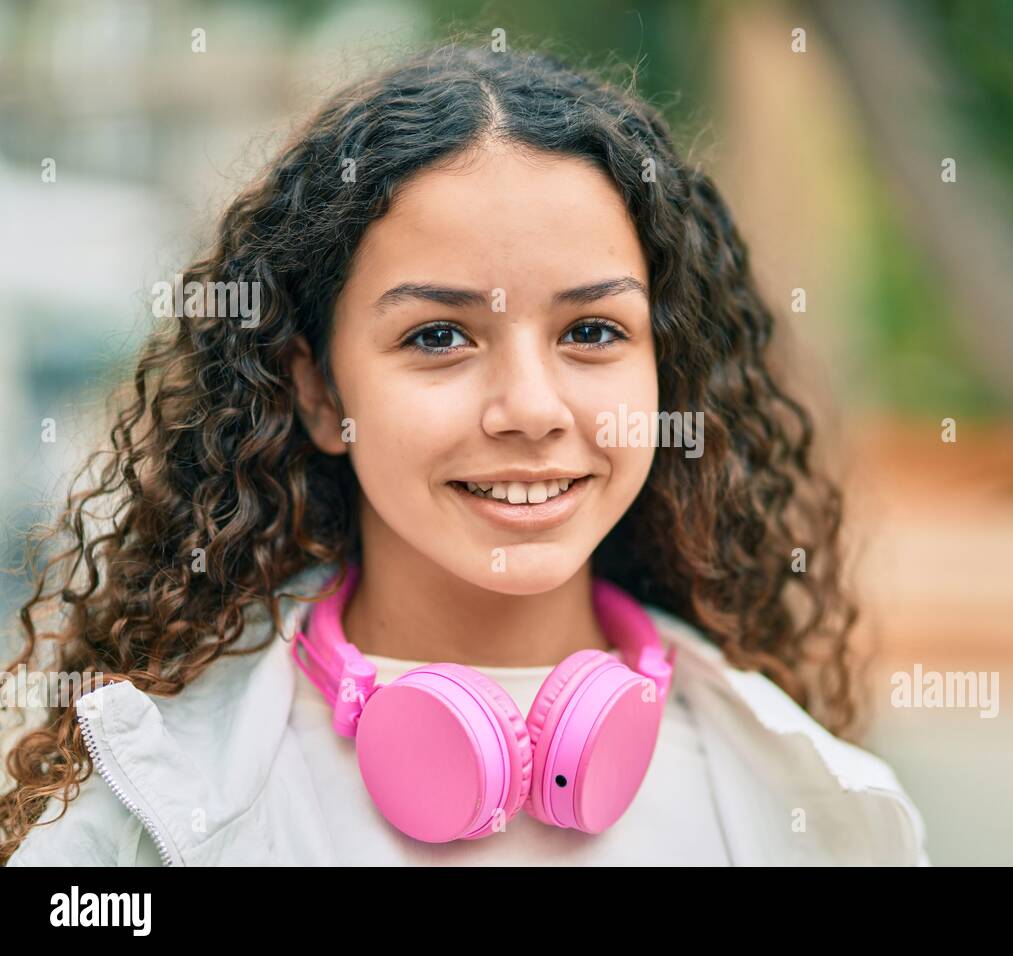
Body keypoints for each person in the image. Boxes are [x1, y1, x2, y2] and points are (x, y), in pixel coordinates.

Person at [1, 42, 928, 866]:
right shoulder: (141, 808)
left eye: (593, 330)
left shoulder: (812, 801)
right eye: (440, 336)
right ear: (321, 394)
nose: (530, 408)